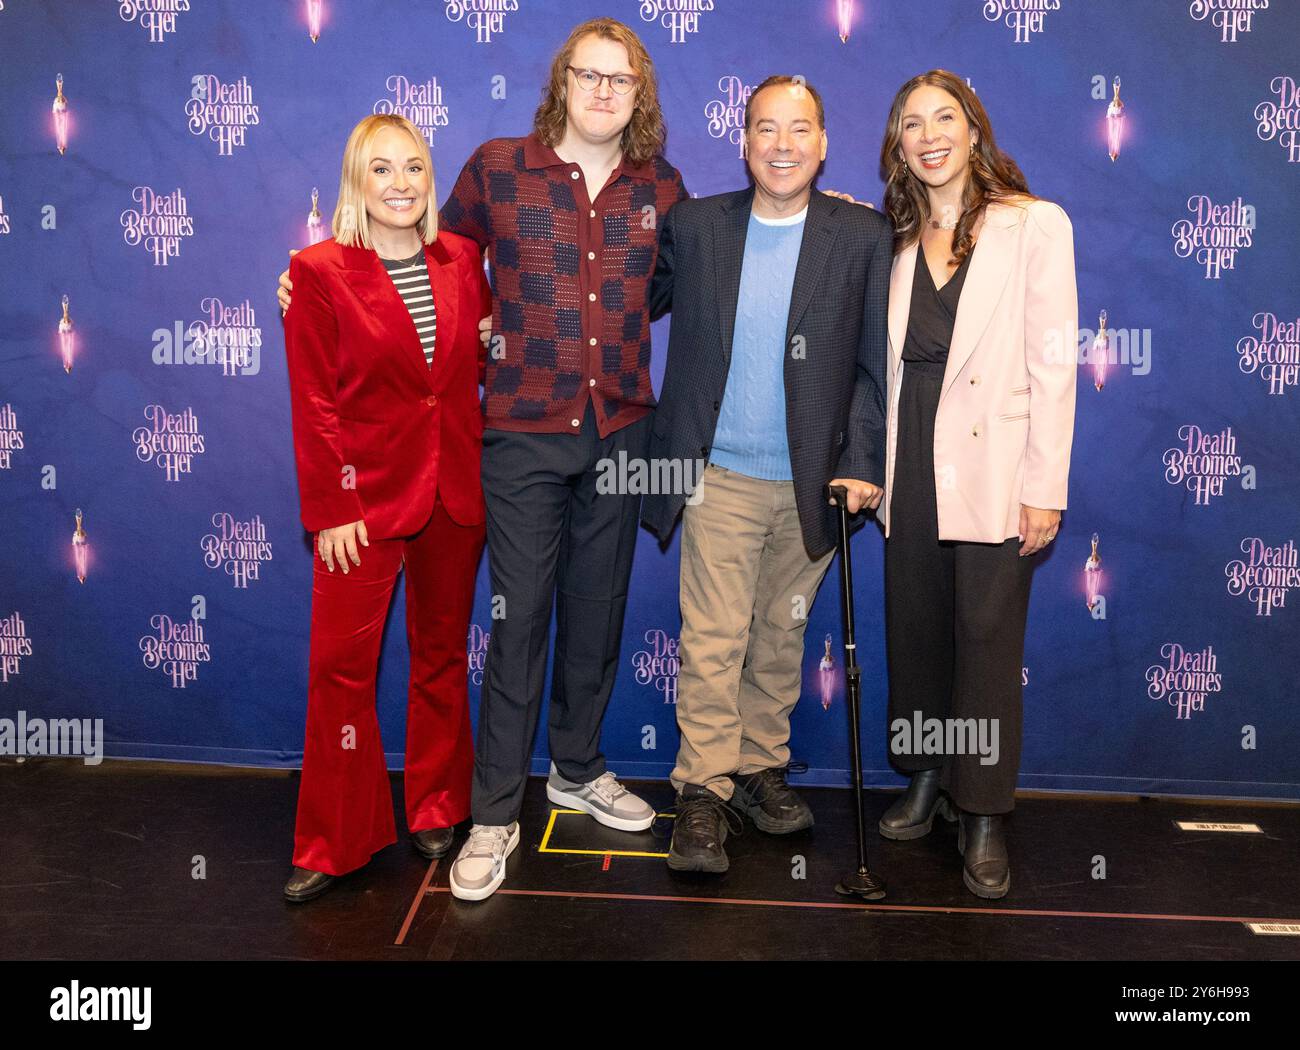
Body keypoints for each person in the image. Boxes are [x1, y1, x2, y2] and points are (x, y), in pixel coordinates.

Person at [279, 19, 688, 902]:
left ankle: (579, 767)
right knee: (518, 623)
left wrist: (821, 221)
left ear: (639, 93)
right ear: (563, 81)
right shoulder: (498, 167)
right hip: (518, 437)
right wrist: (316, 272)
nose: (604, 90)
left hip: (619, 434)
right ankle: (495, 813)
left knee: (598, 616)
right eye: (590, 74)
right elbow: (436, 252)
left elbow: (678, 280)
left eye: (622, 79)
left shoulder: (662, 186)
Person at [642, 77, 891, 874]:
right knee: (714, 638)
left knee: (780, 635)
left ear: (823, 144)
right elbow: (619, 301)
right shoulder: (695, 225)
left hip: (812, 484)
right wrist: (492, 304)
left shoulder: (862, 235)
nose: (781, 144)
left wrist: (861, 461)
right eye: (764, 128)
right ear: (743, 142)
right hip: (718, 472)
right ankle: (703, 795)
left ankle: (757, 771)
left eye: (799, 129)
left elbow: (871, 364)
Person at [874, 70, 1077, 899]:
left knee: (986, 641)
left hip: (997, 461)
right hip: (909, 460)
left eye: (944, 118)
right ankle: (927, 774)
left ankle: (984, 809)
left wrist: (1046, 485)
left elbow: (1055, 363)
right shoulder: (889, 233)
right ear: (898, 144)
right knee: (917, 628)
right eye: (912, 123)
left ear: (973, 127)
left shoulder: (1033, 224)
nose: (929, 135)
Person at [280, 113, 492, 903]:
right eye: (381, 169)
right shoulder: (317, 270)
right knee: (342, 673)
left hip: (455, 494)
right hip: (360, 504)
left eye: (413, 168)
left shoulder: (463, 259)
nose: (400, 183)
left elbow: (483, 351)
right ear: (355, 182)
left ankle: (437, 803)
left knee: (440, 657)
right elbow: (315, 401)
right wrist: (332, 507)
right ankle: (336, 838)